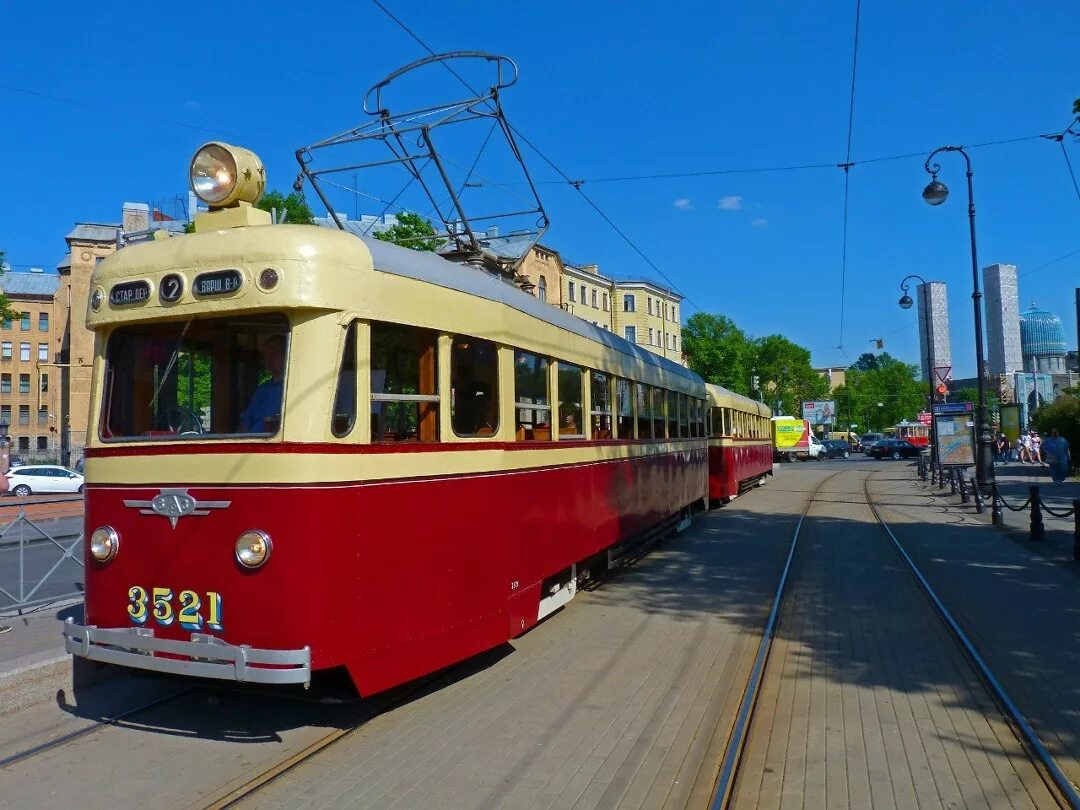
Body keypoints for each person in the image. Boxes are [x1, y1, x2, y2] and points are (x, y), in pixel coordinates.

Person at [238, 335, 286, 433]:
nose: (269, 358)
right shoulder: (262, 389)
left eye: (274, 352)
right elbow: (245, 426)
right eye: (266, 354)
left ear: (287, 354)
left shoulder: (293, 386)